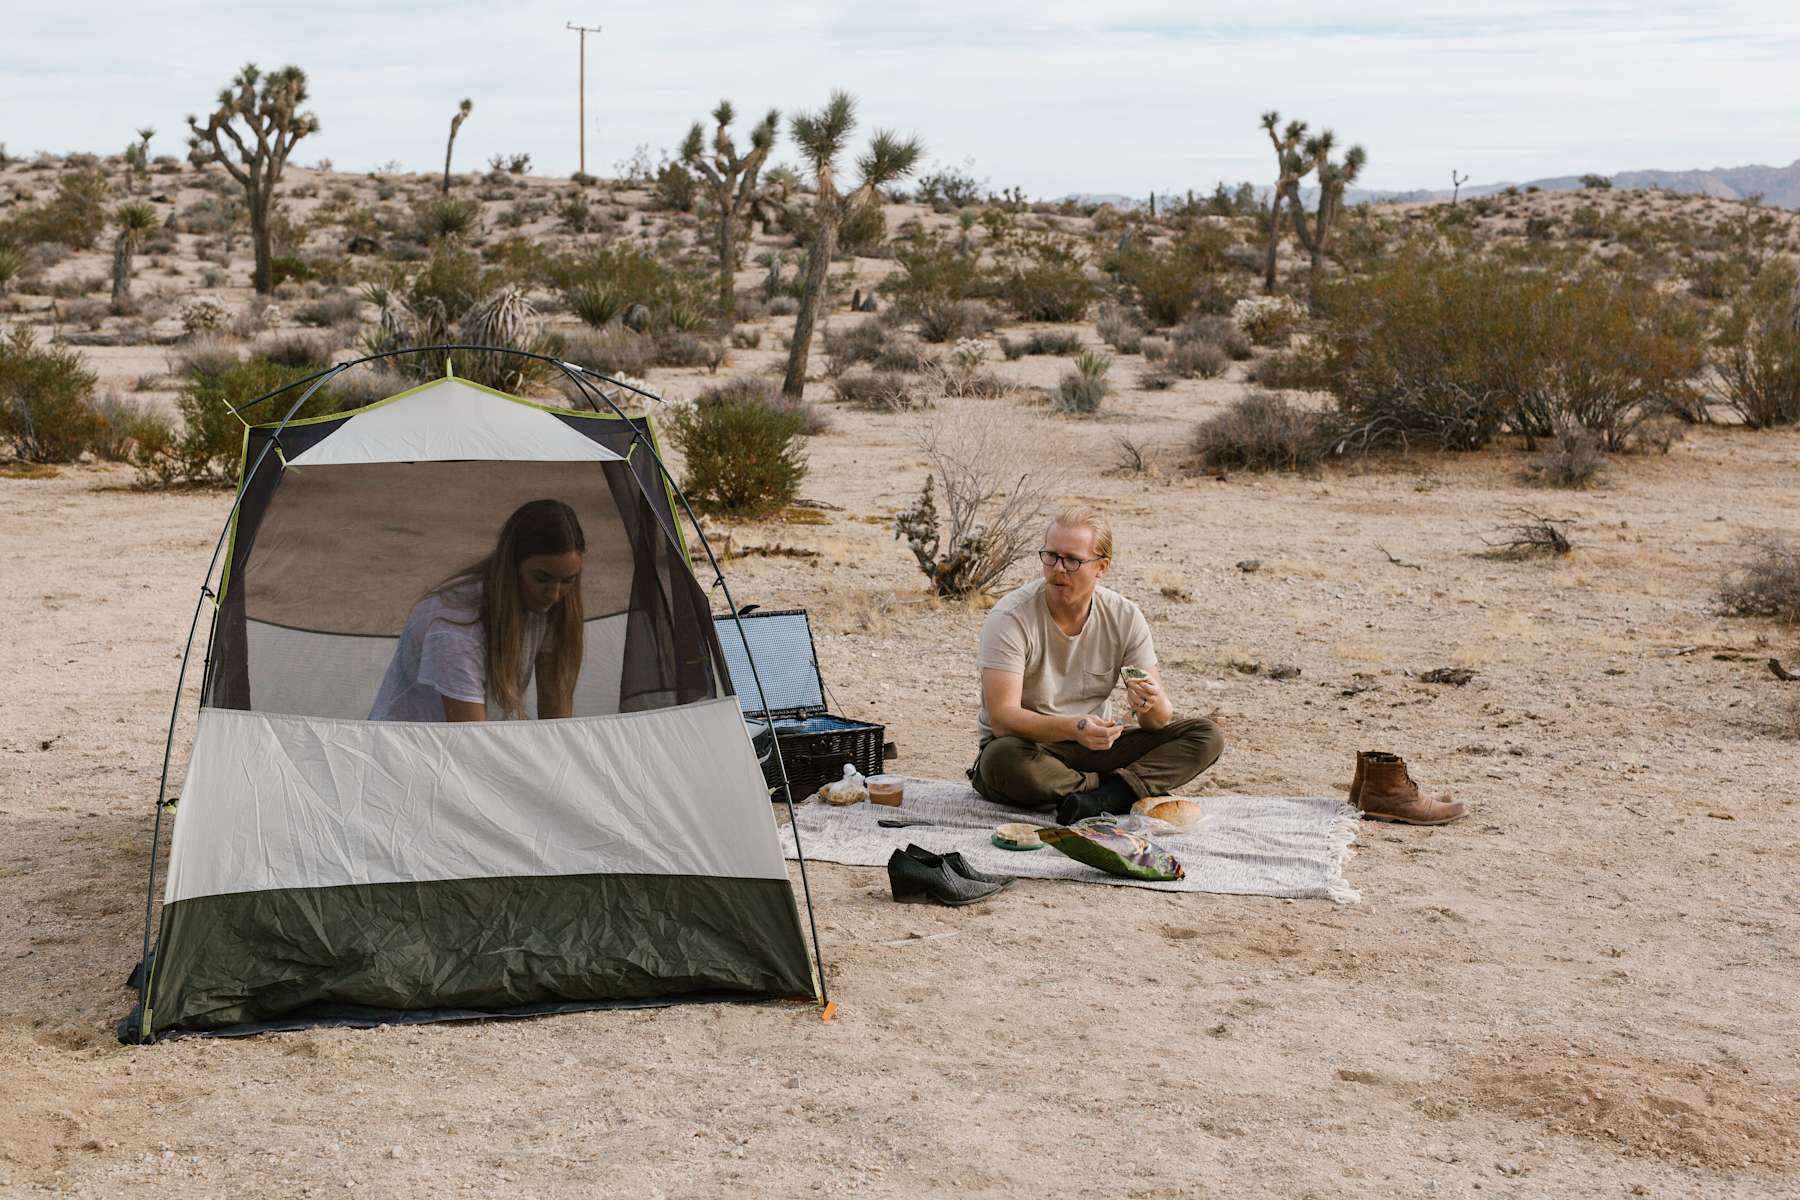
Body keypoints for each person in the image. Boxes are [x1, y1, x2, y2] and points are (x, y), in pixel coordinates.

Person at [971, 506, 1223, 824]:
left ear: (1101, 567)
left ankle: (1098, 797)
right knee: (1000, 759)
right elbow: (1003, 720)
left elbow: (1157, 722)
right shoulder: (1010, 617)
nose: (1057, 569)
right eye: (1050, 556)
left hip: (1098, 748)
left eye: (1072, 560)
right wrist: (1075, 728)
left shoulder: (1124, 616)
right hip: (1032, 748)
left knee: (1206, 735)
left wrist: (1150, 702)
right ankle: (1115, 792)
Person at [369, 499, 586, 722]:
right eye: (542, 579)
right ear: (511, 566)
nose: (554, 594)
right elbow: (470, 738)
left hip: (470, 741)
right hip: (407, 751)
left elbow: (555, 709)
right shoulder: (455, 630)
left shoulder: (554, 607)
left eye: (568, 581)